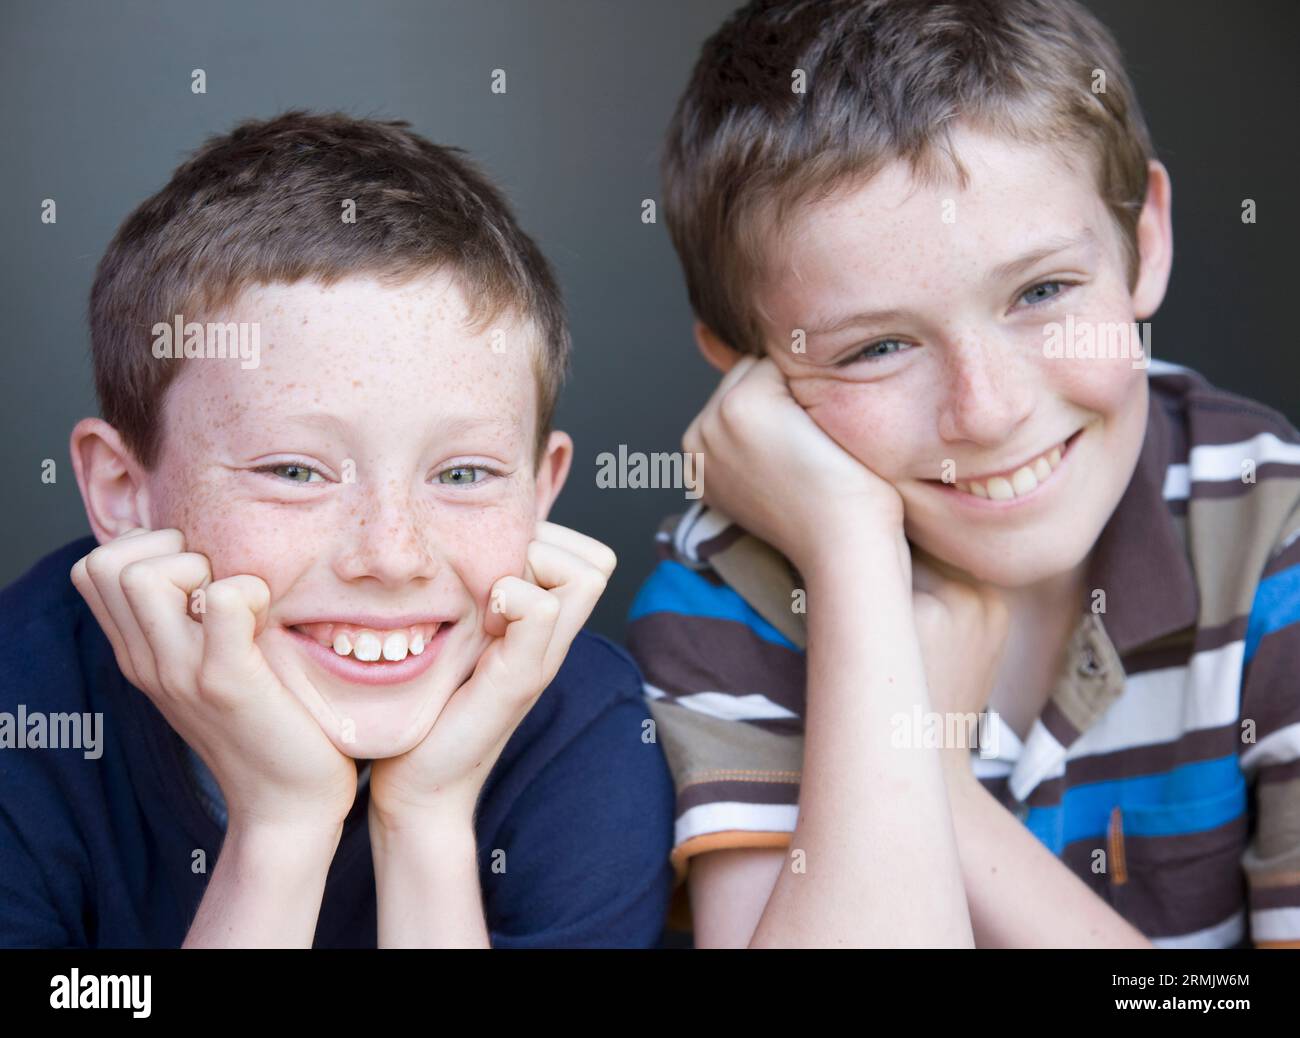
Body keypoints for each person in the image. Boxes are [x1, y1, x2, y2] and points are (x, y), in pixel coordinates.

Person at [627, 0, 1300, 948]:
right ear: (748, 376)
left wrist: (937, 783)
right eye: (878, 347)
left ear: (1144, 242)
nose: (987, 412)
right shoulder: (726, 601)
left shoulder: (1269, 525)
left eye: (1041, 292)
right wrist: (851, 561)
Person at [0, 111, 674, 948]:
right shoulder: (24, 717)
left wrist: (426, 821)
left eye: (462, 475)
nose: (392, 555)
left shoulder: (582, 728)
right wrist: (278, 829)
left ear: (542, 494)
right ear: (121, 490)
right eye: (294, 472)